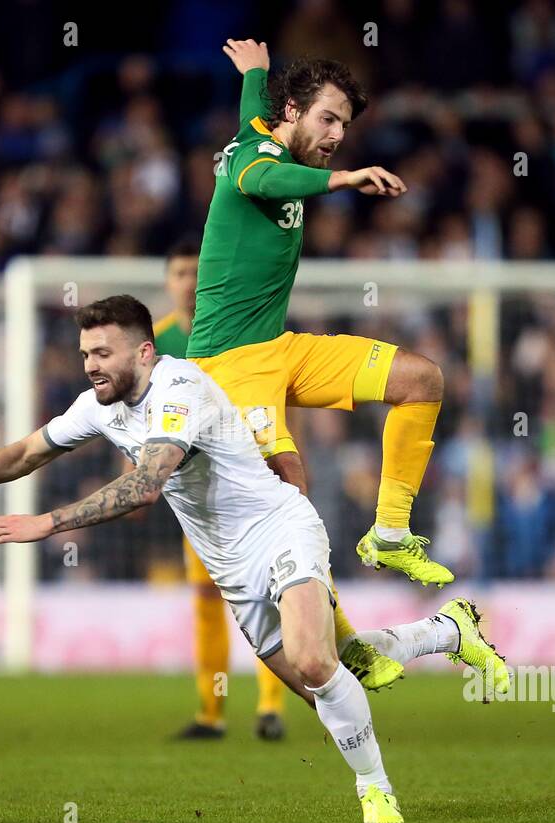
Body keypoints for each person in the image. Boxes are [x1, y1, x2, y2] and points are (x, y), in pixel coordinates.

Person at [0, 294, 509, 823]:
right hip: (231, 569)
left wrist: (47, 523)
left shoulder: (178, 388)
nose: (91, 364)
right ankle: (447, 629)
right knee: (336, 675)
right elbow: (30, 449)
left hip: (279, 528)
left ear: (145, 352)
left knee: (313, 661)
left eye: (103, 352)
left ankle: (375, 790)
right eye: (85, 353)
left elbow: (146, 486)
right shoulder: (99, 405)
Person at [189, 39, 452, 689]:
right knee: (291, 497)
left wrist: (253, 71)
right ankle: (342, 644)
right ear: (294, 112)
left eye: (345, 127)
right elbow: (266, 178)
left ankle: (390, 531)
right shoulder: (255, 157)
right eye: (327, 120)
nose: (336, 136)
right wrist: (341, 181)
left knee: (422, 378)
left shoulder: (265, 118)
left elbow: (257, 99)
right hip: (228, 367)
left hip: (279, 347)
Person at [154, 239, 288, 741]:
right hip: (196, 494)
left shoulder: (236, 336)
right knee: (208, 597)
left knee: (267, 590)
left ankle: (271, 706)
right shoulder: (156, 344)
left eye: (195, 271)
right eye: (179, 272)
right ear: (168, 282)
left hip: (248, 483)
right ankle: (212, 713)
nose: (188, 282)